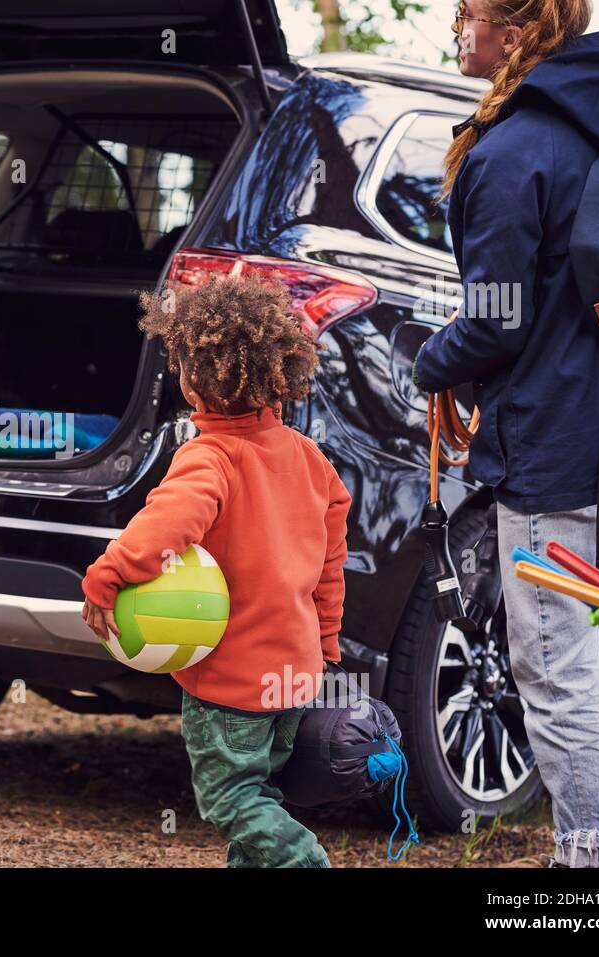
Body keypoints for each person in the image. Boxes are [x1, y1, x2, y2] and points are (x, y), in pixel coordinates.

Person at [414, 1, 599, 866]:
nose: (458, 30)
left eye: (471, 14)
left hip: (555, 456)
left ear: (514, 34)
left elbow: (496, 320)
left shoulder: (515, 147)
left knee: (559, 684)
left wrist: (431, 363)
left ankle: (594, 874)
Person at [81, 276, 350, 868]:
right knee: (261, 796)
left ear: (195, 380)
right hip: (294, 673)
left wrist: (107, 576)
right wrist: (325, 644)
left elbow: (164, 526)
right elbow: (330, 568)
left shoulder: (209, 457)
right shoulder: (309, 458)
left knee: (233, 799)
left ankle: (307, 861)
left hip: (232, 680)